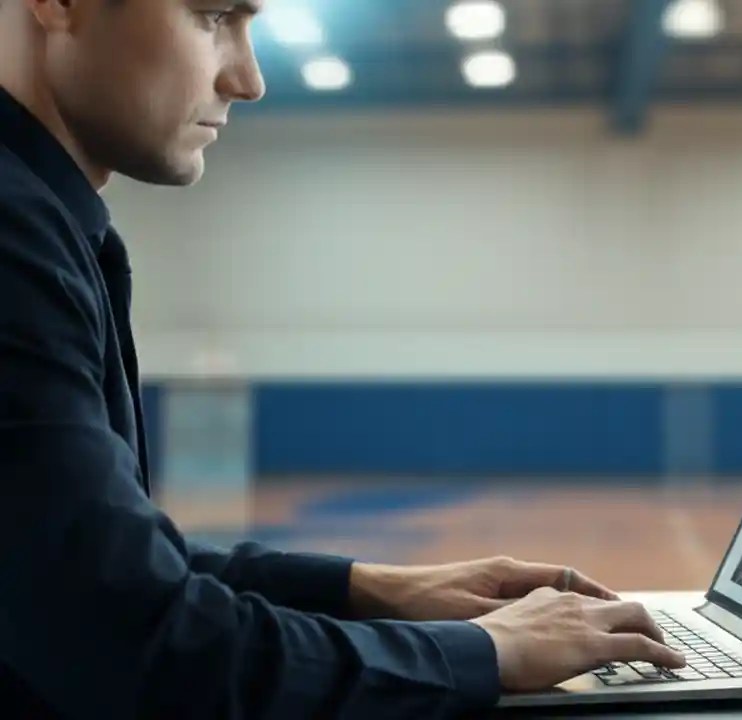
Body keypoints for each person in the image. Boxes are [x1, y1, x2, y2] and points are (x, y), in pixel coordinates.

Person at [0, 0, 685, 717]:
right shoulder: (14, 242)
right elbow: (142, 643)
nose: (249, 77)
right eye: (214, 17)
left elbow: (90, 575)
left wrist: (378, 588)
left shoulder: (42, 223)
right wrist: (485, 653)